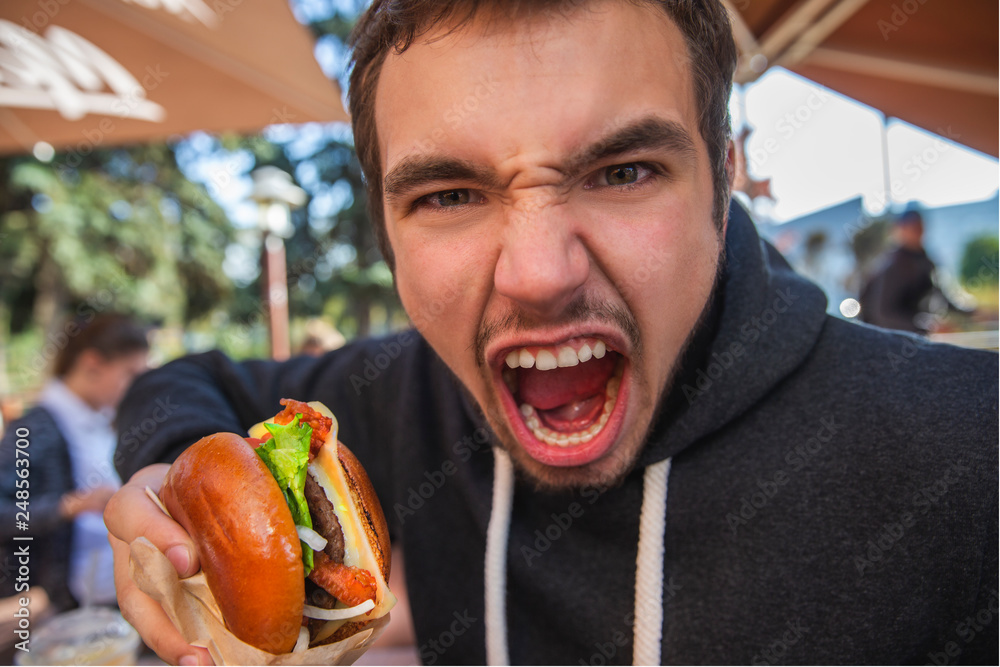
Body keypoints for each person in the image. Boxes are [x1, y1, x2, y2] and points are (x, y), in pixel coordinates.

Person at [105, 1, 997, 665]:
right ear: (388, 235)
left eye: (623, 171)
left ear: (722, 188)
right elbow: (188, 382)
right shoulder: (406, 389)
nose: (538, 273)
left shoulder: (970, 451)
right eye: (448, 195)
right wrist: (178, 475)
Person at [0, 313, 149, 612]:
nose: (137, 387)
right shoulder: (33, 429)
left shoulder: (105, 420)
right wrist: (71, 506)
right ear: (93, 364)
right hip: (71, 601)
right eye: (130, 374)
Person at [859, 207, 967, 334]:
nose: (917, 232)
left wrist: (973, 313)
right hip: (889, 341)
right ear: (899, 230)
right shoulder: (893, 265)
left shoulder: (926, 262)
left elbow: (942, 296)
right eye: (912, 228)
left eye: (919, 227)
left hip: (914, 338)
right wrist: (927, 326)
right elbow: (882, 314)